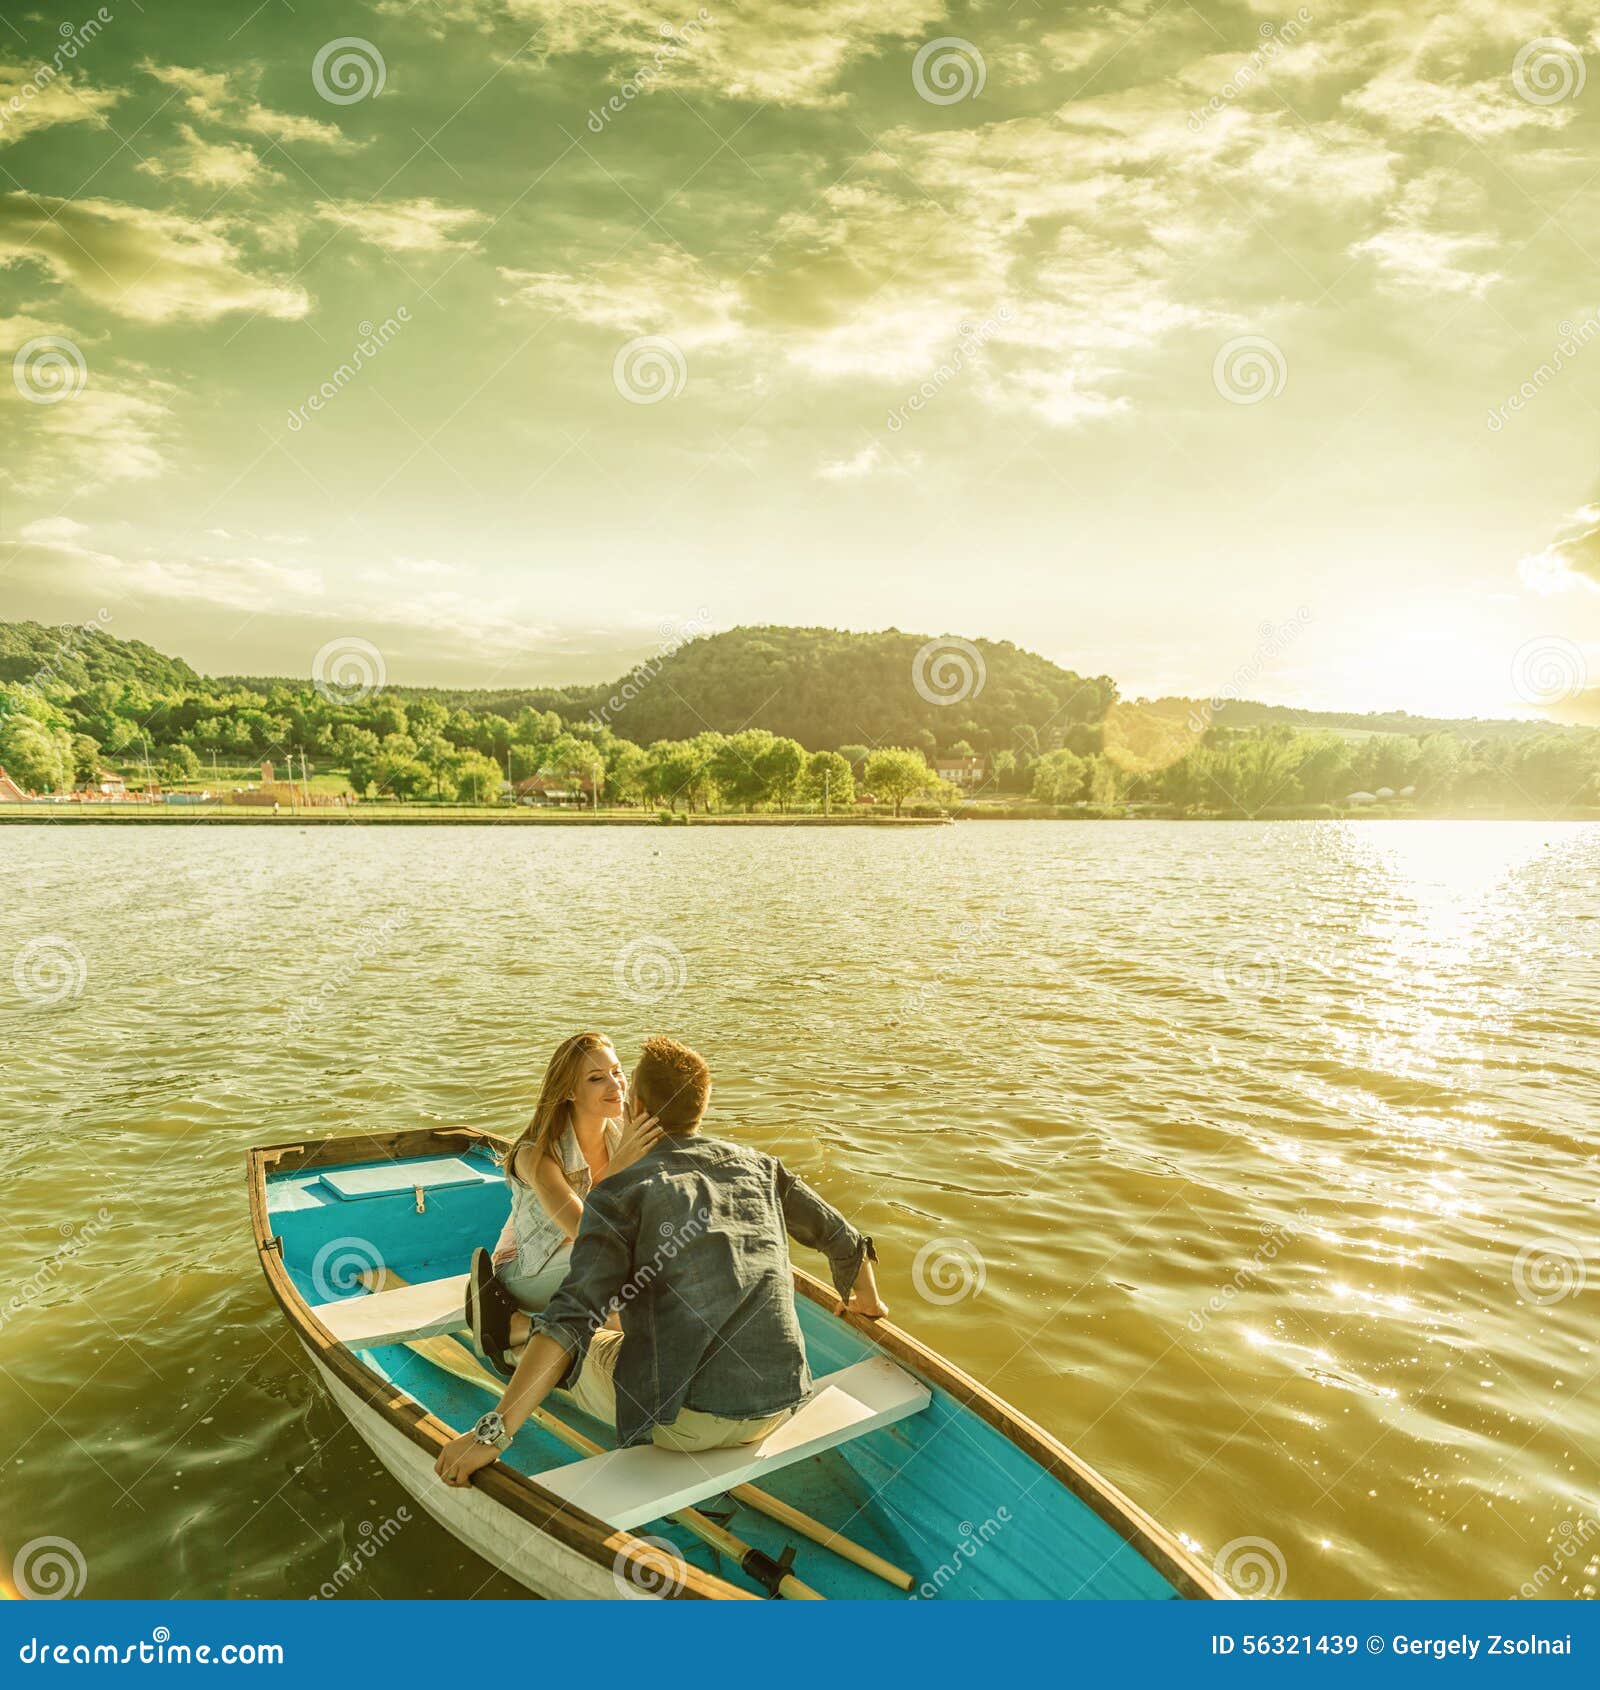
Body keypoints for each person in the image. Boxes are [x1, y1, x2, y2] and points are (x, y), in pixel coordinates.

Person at [437, 1035, 887, 1486]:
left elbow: (571, 1320)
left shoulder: (620, 1195)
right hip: (780, 1404)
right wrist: (867, 1301)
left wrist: (489, 1436)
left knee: (581, 1345)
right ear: (702, 1106)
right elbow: (840, 1237)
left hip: (679, 1424)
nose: (614, 1085)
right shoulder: (761, 1165)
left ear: (634, 1105)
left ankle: (508, 1335)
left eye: (620, 1077)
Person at [465, 1032, 662, 1367]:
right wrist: (621, 1167)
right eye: (597, 1078)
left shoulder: (622, 1137)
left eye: (617, 1071)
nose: (615, 1085)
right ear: (570, 1091)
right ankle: (517, 1323)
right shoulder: (535, 1155)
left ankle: (524, 1330)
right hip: (524, 1272)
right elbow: (583, 1230)